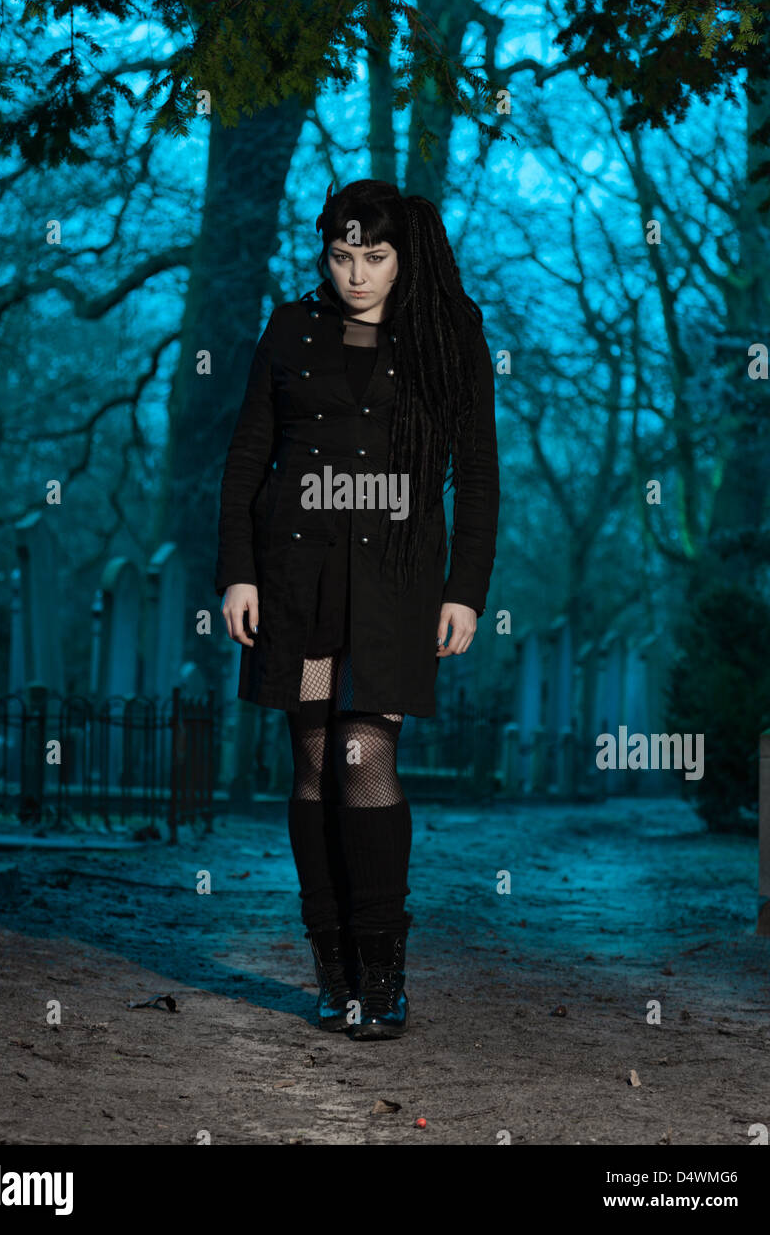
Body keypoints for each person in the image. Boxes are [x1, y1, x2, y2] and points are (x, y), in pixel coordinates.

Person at [216, 179, 499, 1039]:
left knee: (361, 752)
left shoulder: (447, 335)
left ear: (405, 257)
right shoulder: (289, 327)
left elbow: (479, 476)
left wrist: (466, 590)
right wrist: (239, 574)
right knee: (311, 762)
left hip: (393, 585)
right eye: (342, 256)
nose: (357, 274)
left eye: (374, 257)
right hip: (298, 584)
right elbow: (247, 460)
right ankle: (332, 969)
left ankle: (383, 977)